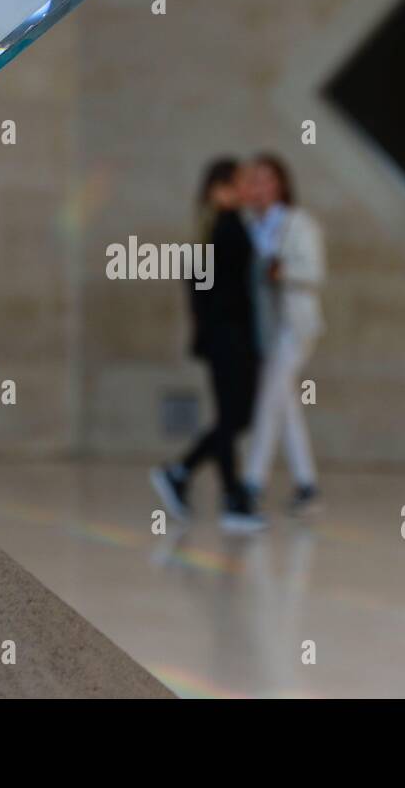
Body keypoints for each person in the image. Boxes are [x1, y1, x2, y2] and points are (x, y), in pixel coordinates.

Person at [151, 159, 267, 533]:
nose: (245, 190)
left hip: (226, 337)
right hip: (229, 338)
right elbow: (207, 289)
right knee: (236, 416)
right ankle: (187, 474)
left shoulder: (219, 227)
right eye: (238, 183)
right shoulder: (224, 228)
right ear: (219, 188)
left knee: (233, 417)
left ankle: (215, 489)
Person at [242, 153, 325, 517]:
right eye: (252, 180)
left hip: (295, 325)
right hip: (266, 328)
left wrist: (281, 271)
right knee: (286, 404)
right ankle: (307, 484)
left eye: (264, 179)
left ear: (279, 184)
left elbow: (314, 272)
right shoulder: (250, 226)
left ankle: (252, 482)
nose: (257, 187)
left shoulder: (298, 224)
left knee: (269, 400)